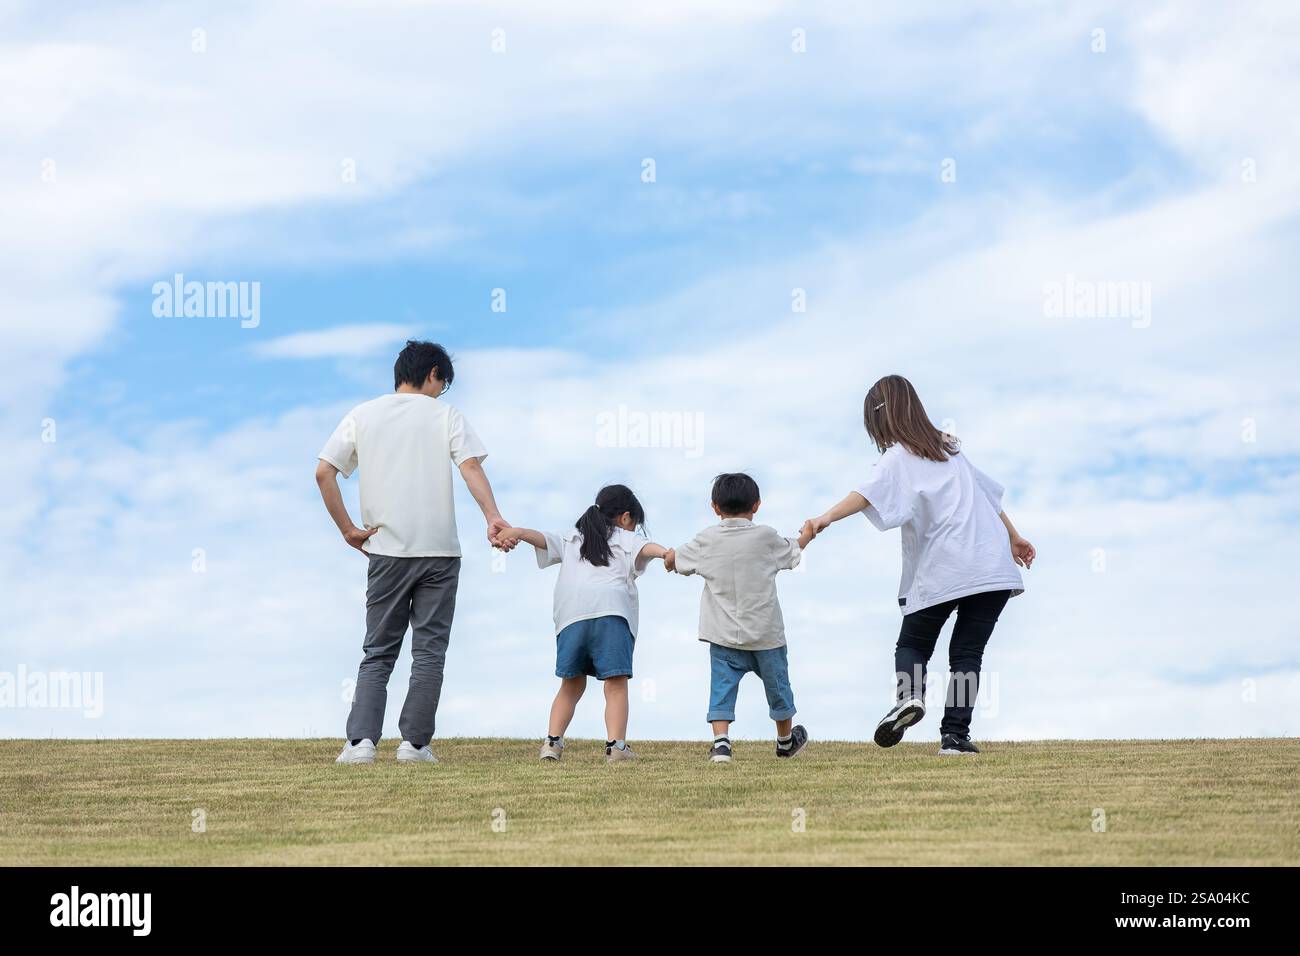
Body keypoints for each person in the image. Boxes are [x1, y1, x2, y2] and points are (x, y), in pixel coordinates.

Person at [805, 375, 1035, 755]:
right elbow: (988, 497)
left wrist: (822, 519)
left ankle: (909, 695)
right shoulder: (951, 448)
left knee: (913, 642)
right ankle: (955, 738)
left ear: (881, 419)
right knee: (967, 654)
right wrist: (1013, 536)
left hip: (946, 566)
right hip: (991, 564)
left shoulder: (898, 457)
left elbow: (863, 495)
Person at [316, 340, 512, 765]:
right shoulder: (446, 416)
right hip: (440, 552)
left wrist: (348, 529)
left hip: (385, 550)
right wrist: (492, 516)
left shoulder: (362, 414)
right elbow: (471, 467)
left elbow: (324, 472)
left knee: (379, 650)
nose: (442, 393)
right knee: (429, 651)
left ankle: (360, 745)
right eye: (443, 384)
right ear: (433, 375)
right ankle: (415, 746)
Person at [495, 484, 669, 764]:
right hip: (612, 612)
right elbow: (646, 547)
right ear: (625, 518)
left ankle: (552, 744)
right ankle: (616, 747)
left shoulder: (573, 537)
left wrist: (516, 532)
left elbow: (541, 538)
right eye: (634, 523)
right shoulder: (626, 537)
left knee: (571, 685)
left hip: (571, 618)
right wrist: (666, 554)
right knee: (615, 684)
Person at [664, 473, 816, 763]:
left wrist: (669, 558)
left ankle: (721, 744)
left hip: (723, 635)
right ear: (756, 505)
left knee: (722, 688)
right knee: (778, 688)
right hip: (766, 635)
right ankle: (785, 742)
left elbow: (676, 562)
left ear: (715, 507)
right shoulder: (766, 537)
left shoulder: (706, 540)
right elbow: (793, 551)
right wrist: (807, 533)